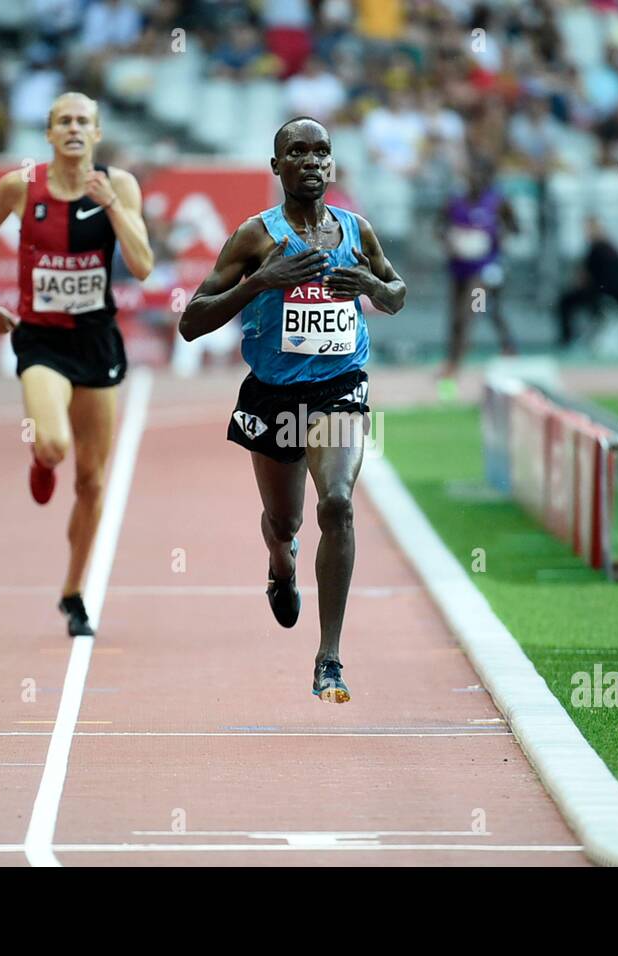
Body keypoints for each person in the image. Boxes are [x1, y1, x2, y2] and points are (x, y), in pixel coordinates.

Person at [179, 116, 406, 703]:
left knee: (337, 502)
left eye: (322, 151)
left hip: (340, 387)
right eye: (298, 151)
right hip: (275, 396)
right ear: (277, 166)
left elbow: (396, 290)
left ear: (331, 164)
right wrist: (261, 282)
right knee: (287, 522)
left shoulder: (357, 230)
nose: (312, 160)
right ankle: (281, 563)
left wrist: (374, 290)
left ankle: (328, 657)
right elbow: (191, 322)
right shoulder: (255, 236)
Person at [0, 91, 153, 637]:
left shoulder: (119, 185)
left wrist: (114, 206)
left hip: (96, 342)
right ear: (49, 134)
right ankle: (42, 459)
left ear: (96, 134)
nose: (74, 128)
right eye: (64, 121)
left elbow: (143, 266)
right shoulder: (21, 187)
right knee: (53, 443)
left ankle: (73, 592)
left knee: (93, 483)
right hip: (42, 341)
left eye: (84, 121)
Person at [437, 159, 517, 382]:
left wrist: (500, 239)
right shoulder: (454, 202)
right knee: (465, 314)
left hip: (485, 267)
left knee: (467, 313)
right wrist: (448, 240)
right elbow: (438, 226)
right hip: (458, 267)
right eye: (471, 177)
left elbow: (515, 227)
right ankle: (508, 345)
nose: (475, 181)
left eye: (480, 177)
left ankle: (455, 365)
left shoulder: (498, 202)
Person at [556, 214, 618, 349]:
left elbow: (584, 278)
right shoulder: (611, 248)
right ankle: (587, 337)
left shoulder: (597, 249)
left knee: (565, 302)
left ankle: (567, 341)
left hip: (604, 296)